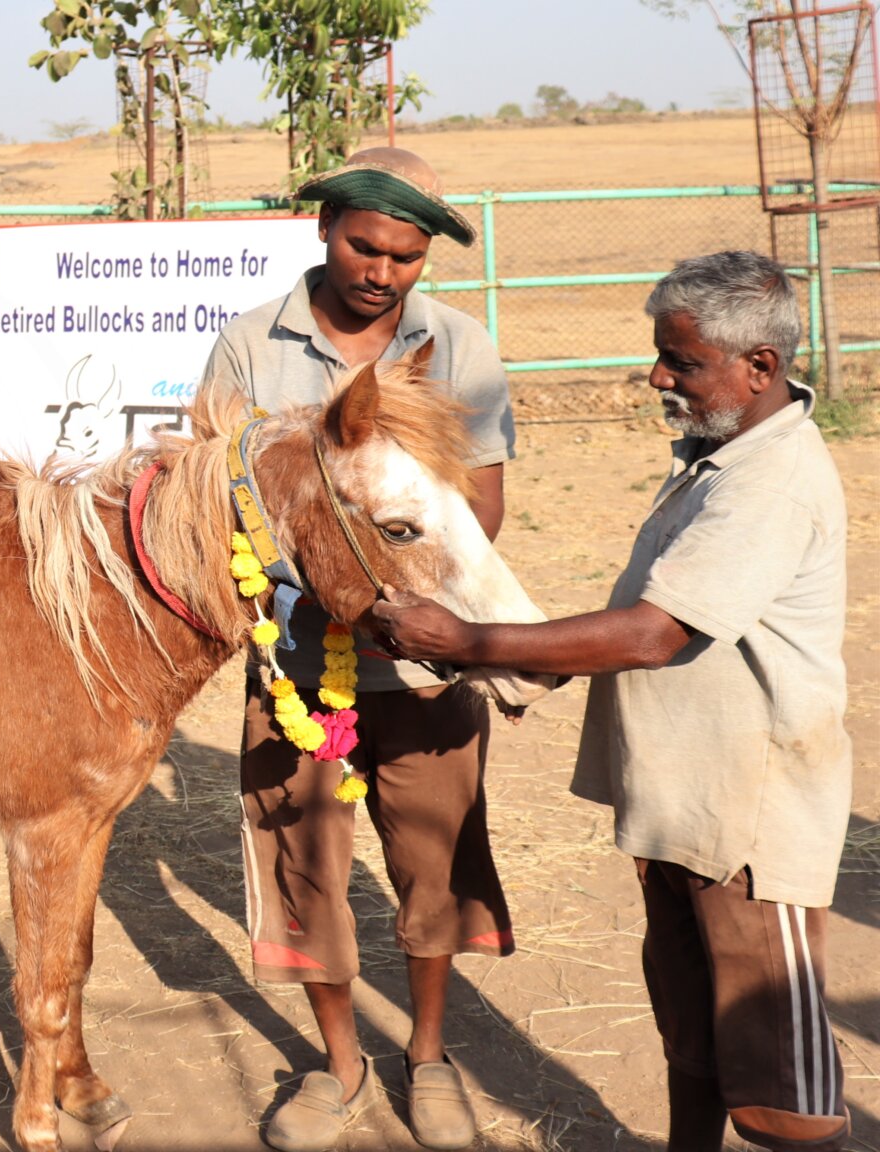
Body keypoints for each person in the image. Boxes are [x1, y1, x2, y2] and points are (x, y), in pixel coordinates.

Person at [371, 250, 851, 1152]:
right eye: (661, 353)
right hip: (687, 805)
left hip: (750, 820)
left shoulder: (769, 481)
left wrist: (470, 643)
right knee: (694, 1041)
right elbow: (638, 619)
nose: (659, 375)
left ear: (760, 367)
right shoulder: (718, 458)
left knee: (780, 1091)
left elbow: (652, 635)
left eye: (683, 360)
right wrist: (525, 666)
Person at [197, 146, 517, 1152]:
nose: (382, 271)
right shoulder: (251, 347)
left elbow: (482, 510)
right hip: (295, 665)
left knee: (433, 867)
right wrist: (333, 592)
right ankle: (341, 1067)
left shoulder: (458, 348)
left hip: (427, 662)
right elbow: (221, 506)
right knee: (308, 871)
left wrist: (396, 600)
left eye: (407, 256)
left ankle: (428, 1057)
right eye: (365, 245)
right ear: (324, 231)